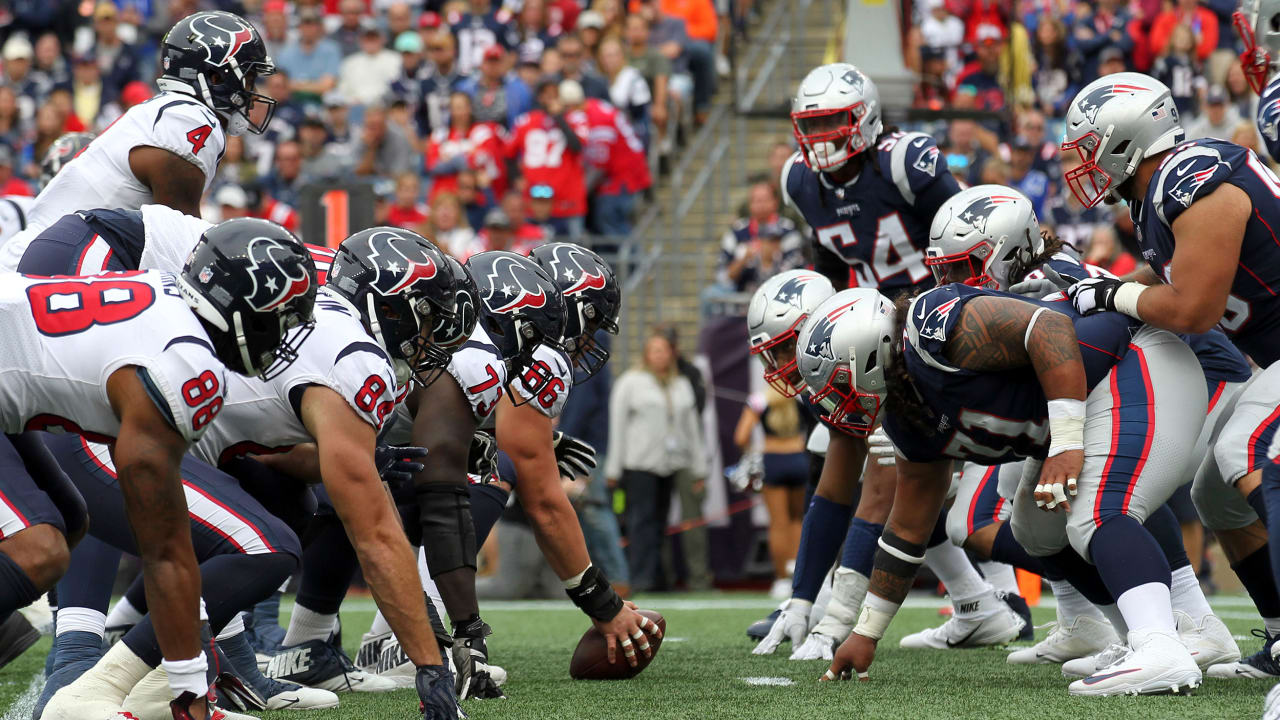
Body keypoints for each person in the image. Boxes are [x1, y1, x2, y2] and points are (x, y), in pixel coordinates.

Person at [813, 279, 1207, 696]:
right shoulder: (908, 418)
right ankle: (1134, 638)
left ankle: (1160, 645)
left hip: (1134, 362)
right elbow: (908, 529)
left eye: (839, 387)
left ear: (869, 352)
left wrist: (1068, 442)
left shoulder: (933, 329)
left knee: (1096, 511)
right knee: (1038, 532)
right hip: (1088, 405)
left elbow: (1048, 328)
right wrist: (866, 633)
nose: (840, 406)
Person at [11, 220, 317, 720]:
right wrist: (187, 691)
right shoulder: (186, 362)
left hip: (23, 406)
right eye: (279, 317)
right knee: (260, 546)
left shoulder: (165, 297)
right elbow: (164, 548)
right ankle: (88, 686)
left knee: (65, 526)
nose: (283, 335)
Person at [1062, 72, 1280, 683]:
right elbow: (1171, 284)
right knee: (1215, 492)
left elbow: (1193, 311)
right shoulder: (1155, 193)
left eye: (1090, 144)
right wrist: (1095, 284)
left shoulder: (1192, 176)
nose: (1084, 161)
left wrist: (1114, 294)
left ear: (1129, 137)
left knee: (1246, 448)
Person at [0, 11, 277, 272]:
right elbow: (180, 245)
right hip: (50, 266)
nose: (252, 91)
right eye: (248, 78)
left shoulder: (170, 111)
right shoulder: (190, 118)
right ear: (215, 77)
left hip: (45, 258)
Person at [606, 328, 707, 592]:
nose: (660, 356)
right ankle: (640, 578)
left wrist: (699, 467)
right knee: (641, 523)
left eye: (664, 350)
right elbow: (616, 427)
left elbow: (693, 428)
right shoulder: (630, 382)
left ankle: (661, 579)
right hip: (639, 464)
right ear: (646, 354)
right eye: (655, 351)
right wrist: (614, 468)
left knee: (662, 523)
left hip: (671, 464)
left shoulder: (682, 384)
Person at [734, 385, 807, 598]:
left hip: (773, 460)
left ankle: (782, 579)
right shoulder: (802, 397)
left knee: (778, 522)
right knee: (798, 520)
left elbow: (740, 437)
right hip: (799, 459)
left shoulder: (759, 400)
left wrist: (751, 455)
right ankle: (797, 574)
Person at [508, 78, 588, 239]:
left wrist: (559, 117)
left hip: (567, 203)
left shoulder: (576, 118)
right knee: (531, 257)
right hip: (533, 204)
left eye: (554, 93)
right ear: (539, 97)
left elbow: (577, 146)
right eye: (545, 94)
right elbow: (508, 154)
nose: (550, 98)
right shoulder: (526, 121)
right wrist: (516, 177)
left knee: (571, 256)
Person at [276, 10, 341, 105]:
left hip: (323, 105)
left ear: (318, 27)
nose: (308, 29)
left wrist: (297, 85)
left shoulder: (330, 49)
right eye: (305, 24)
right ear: (299, 27)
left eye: (312, 25)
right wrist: (315, 85)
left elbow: (327, 86)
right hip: (292, 104)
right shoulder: (286, 52)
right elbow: (281, 85)